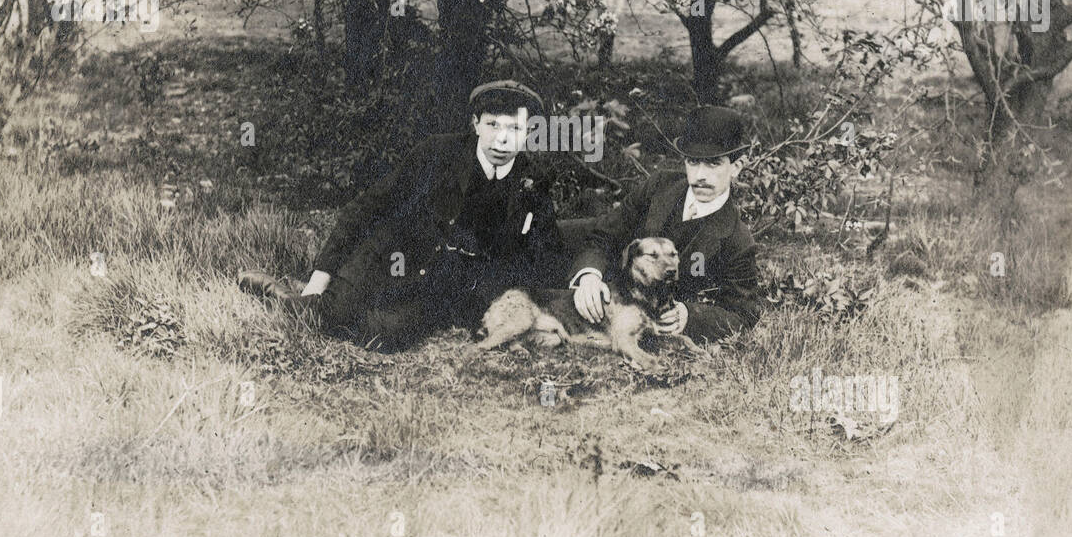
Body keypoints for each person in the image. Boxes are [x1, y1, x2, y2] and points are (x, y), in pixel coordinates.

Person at [239, 80, 566, 350]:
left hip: (450, 287)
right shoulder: (437, 154)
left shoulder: (533, 182)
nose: (503, 138)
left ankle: (304, 300)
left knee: (385, 337)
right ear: (476, 124)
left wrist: (518, 301)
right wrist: (319, 278)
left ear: (528, 133)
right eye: (493, 124)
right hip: (394, 256)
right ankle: (283, 295)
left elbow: (545, 254)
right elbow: (367, 207)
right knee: (334, 311)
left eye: (515, 127)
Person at [569, 105, 761, 343]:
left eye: (713, 164)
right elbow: (604, 234)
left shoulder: (737, 241)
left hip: (631, 322)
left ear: (737, 166)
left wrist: (689, 316)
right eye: (693, 162)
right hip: (602, 292)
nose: (700, 175)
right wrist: (588, 276)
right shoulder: (659, 186)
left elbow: (742, 316)